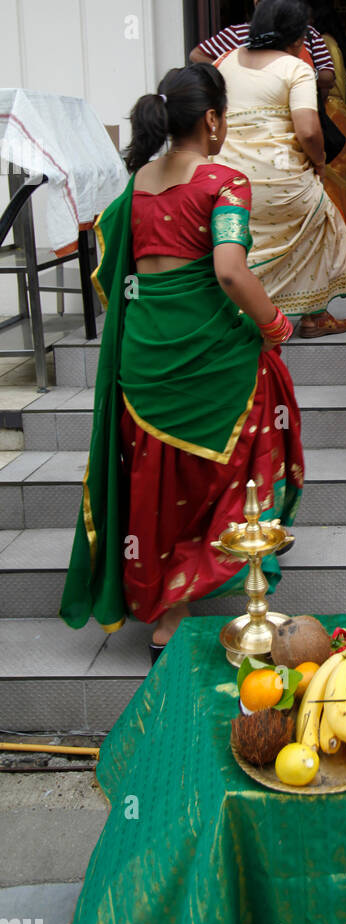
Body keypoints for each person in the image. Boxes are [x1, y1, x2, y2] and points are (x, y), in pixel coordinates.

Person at [60, 64, 304, 659]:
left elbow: (119, 261)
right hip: (213, 360)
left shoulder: (137, 182)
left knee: (159, 478)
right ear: (214, 120)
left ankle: (171, 612)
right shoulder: (224, 182)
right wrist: (274, 324)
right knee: (244, 460)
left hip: (145, 362)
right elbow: (228, 269)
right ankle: (249, 589)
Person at [216, 0, 346, 337]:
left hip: (229, 188)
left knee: (245, 241)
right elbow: (309, 130)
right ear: (298, 37)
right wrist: (317, 164)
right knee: (322, 217)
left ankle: (242, 309)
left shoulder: (223, 62)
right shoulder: (296, 67)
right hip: (284, 184)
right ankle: (316, 317)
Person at [189, 0, 336, 104]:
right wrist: (231, 76)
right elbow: (196, 55)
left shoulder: (307, 32)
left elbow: (329, 79)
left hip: (301, 108)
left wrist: (300, 74)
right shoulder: (236, 33)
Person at [309, 0, 346, 242]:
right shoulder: (333, 43)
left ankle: (334, 240)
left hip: (330, 113)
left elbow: (329, 83)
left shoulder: (323, 43)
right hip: (339, 113)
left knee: (330, 183)